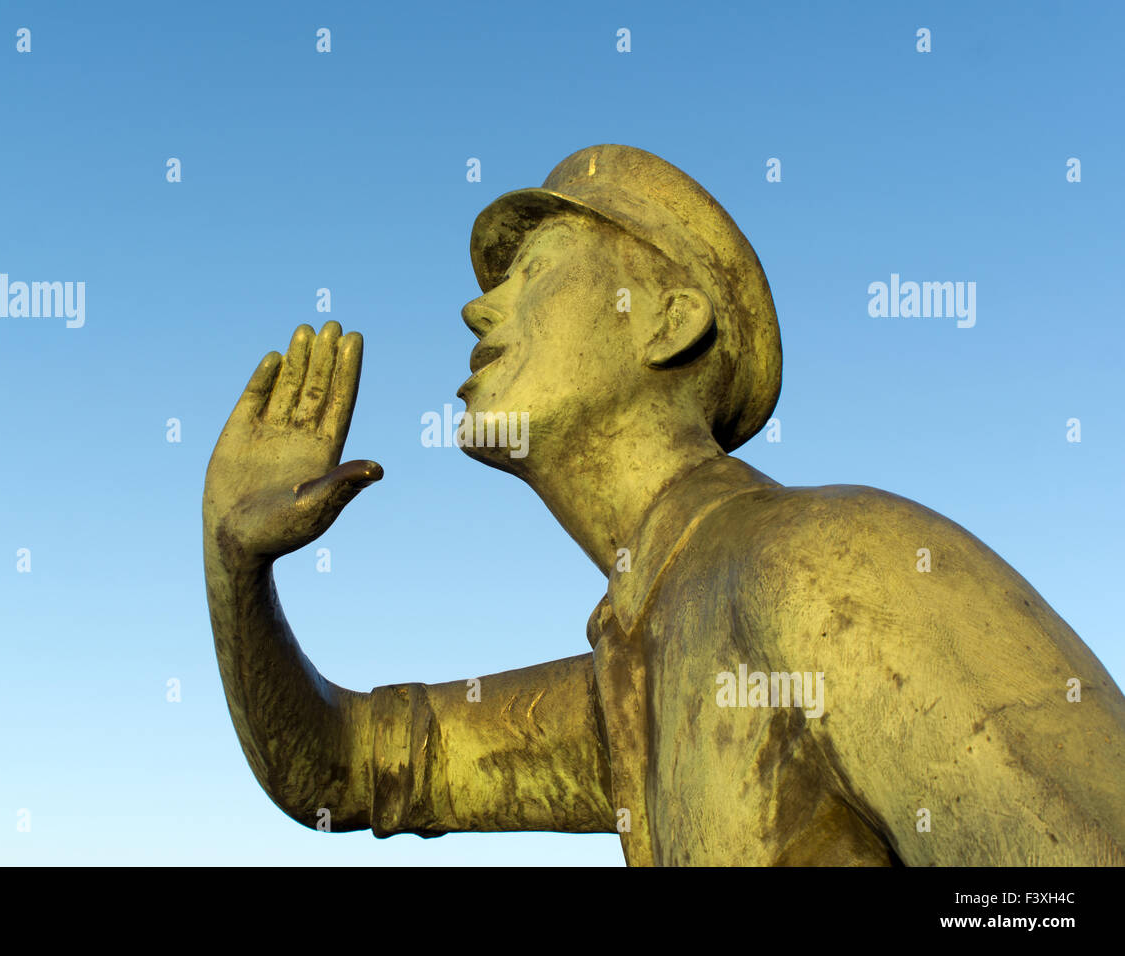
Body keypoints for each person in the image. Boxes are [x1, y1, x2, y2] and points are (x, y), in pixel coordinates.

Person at [203, 144, 1125, 865]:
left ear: (669, 321)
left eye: (535, 271)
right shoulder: (637, 665)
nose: (479, 312)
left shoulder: (826, 564)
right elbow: (342, 765)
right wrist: (232, 560)